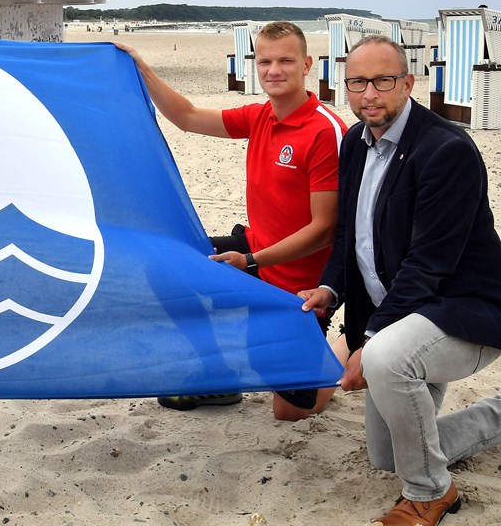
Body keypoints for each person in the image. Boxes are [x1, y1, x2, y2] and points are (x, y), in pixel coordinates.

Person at [298, 35, 501, 526]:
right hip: (406, 315)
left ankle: (429, 492)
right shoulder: (355, 142)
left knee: (386, 361)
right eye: (357, 82)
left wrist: (370, 340)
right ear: (344, 88)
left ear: (408, 83)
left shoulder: (445, 150)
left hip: (465, 311)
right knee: (388, 455)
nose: (369, 93)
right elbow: (349, 236)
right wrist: (331, 290)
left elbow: (429, 263)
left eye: (382, 81)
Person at [117, 21, 349, 420]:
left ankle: (343, 351)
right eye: (265, 61)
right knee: (167, 267)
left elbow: (324, 229)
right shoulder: (259, 116)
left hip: (302, 284)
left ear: (307, 64)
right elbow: (187, 116)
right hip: (255, 251)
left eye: (286, 61)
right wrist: (142, 68)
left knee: (289, 412)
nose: (274, 70)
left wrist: (253, 263)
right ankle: (218, 376)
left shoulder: (324, 131)